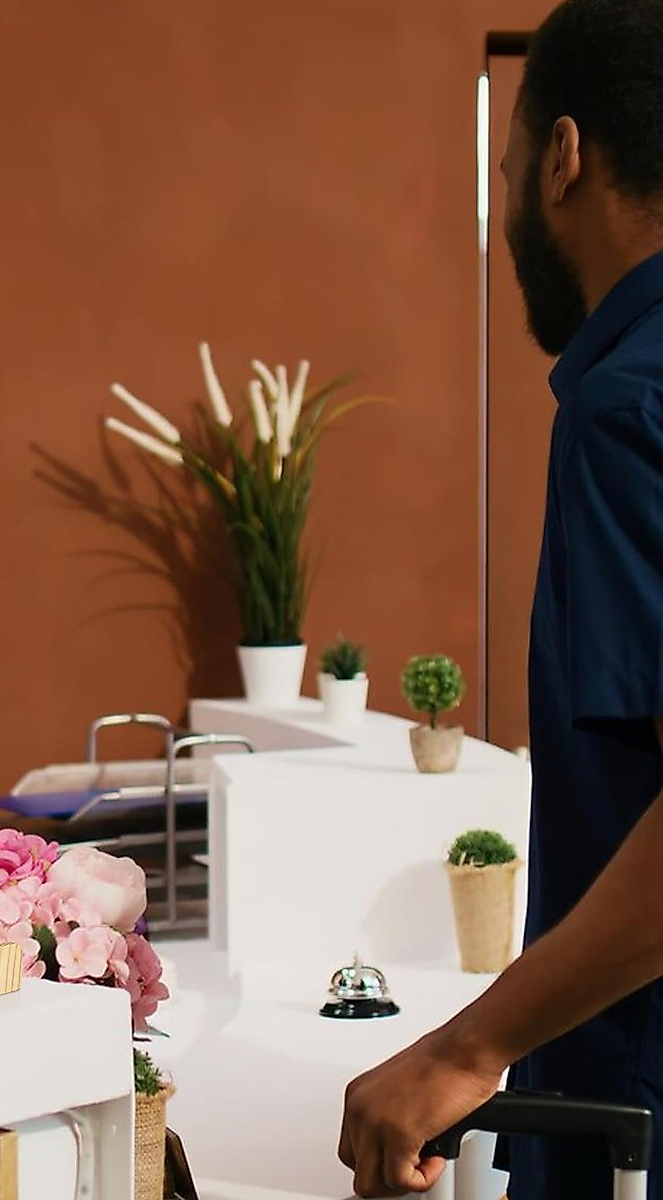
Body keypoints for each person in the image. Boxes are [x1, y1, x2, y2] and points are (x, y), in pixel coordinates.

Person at [339, 0, 663, 1194]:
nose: (512, 194)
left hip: (633, 1118)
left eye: (512, 163)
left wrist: (461, 1051)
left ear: (565, 156)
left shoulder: (627, 406)